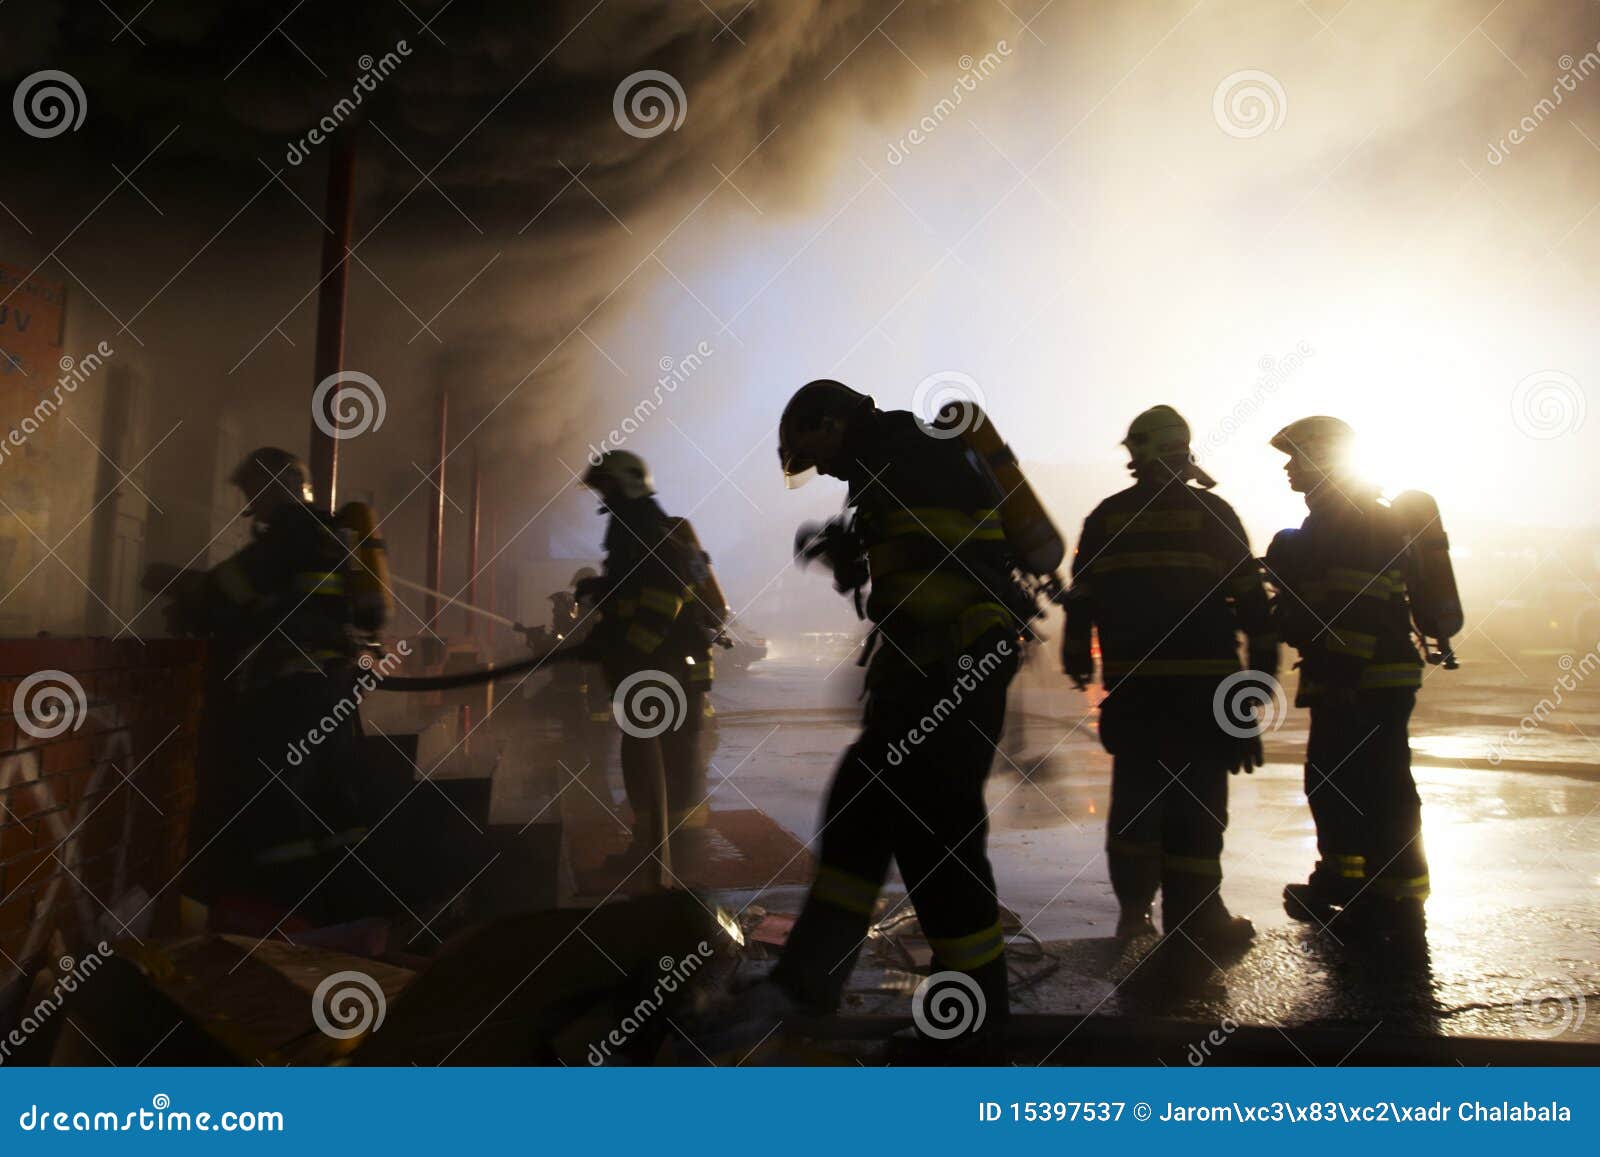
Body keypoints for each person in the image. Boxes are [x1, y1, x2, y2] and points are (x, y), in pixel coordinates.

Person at [746, 378, 1032, 1042]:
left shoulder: (908, 453)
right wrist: (853, 558)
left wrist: (857, 556)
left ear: (833, 421)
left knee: (942, 844)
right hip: (928, 673)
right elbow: (922, 555)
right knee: (863, 813)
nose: (827, 471)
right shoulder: (891, 462)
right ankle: (806, 984)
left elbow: (946, 557)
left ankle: (976, 1022)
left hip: (952, 670)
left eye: (818, 453)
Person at [1061, 406, 1273, 962]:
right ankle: (1199, 915)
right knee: (1200, 809)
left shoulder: (1106, 517)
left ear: (1142, 452)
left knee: (1136, 808)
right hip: (1207, 699)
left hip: (1137, 698)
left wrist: (1077, 650)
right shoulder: (1216, 514)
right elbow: (1256, 614)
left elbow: (1081, 602)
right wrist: (1250, 701)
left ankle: (1135, 918)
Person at [172, 447, 372, 925]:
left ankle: (289, 916)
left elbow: (225, 593)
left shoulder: (290, 536)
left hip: (294, 694)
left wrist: (178, 587)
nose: (250, 508)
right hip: (335, 689)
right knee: (334, 804)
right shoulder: (329, 532)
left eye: (252, 495)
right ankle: (347, 917)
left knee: (279, 808)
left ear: (274, 488)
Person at [1264, 416, 1428, 933]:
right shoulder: (1331, 521)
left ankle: (1391, 898)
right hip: (1352, 674)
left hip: (1362, 678)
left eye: (1297, 456)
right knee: (1342, 784)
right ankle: (1354, 883)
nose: (1289, 467)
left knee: (1373, 785)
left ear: (1322, 458)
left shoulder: (1354, 520)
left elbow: (1356, 601)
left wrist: (1342, 676)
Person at [577, 451, 715, 888]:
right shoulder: (634, 528)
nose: (602, 498)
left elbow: (662, 597)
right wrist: (603, 593)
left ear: (626, 486)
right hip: (657, 672)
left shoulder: (645, 529)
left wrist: (632, 654)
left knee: (666, 768)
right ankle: (653, 855)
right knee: (643, 763)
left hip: (664, 671)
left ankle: (673, 865)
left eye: (607, 488)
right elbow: (633, 592)